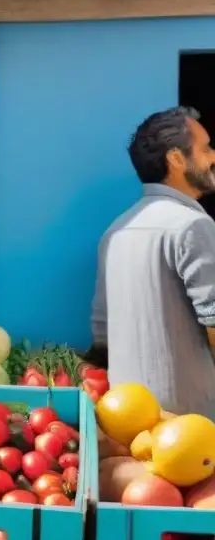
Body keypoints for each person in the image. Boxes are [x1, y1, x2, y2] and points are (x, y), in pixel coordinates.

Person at [92, 106, 215, 417]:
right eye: (206, 148)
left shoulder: (116, 229)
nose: (213, 157)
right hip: (189, 430)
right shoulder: (192, 226)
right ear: (176, 158)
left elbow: (101, 334)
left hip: (127, 422)